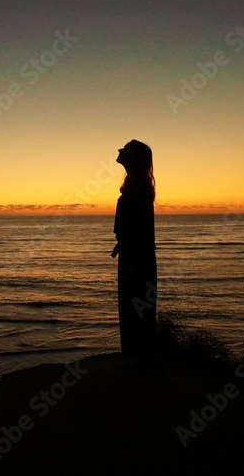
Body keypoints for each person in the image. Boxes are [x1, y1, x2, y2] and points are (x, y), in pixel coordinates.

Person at [111, 139, 157, 356]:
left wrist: (129, 253)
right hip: (135, 255)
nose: (120, 150)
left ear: (135, 158)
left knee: (135, 309)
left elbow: (138, 228)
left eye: (125, 149)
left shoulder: (138, 187)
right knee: (134, 309)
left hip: (137, 258)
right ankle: (138, 358)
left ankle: (138, 360)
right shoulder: (136, 185)